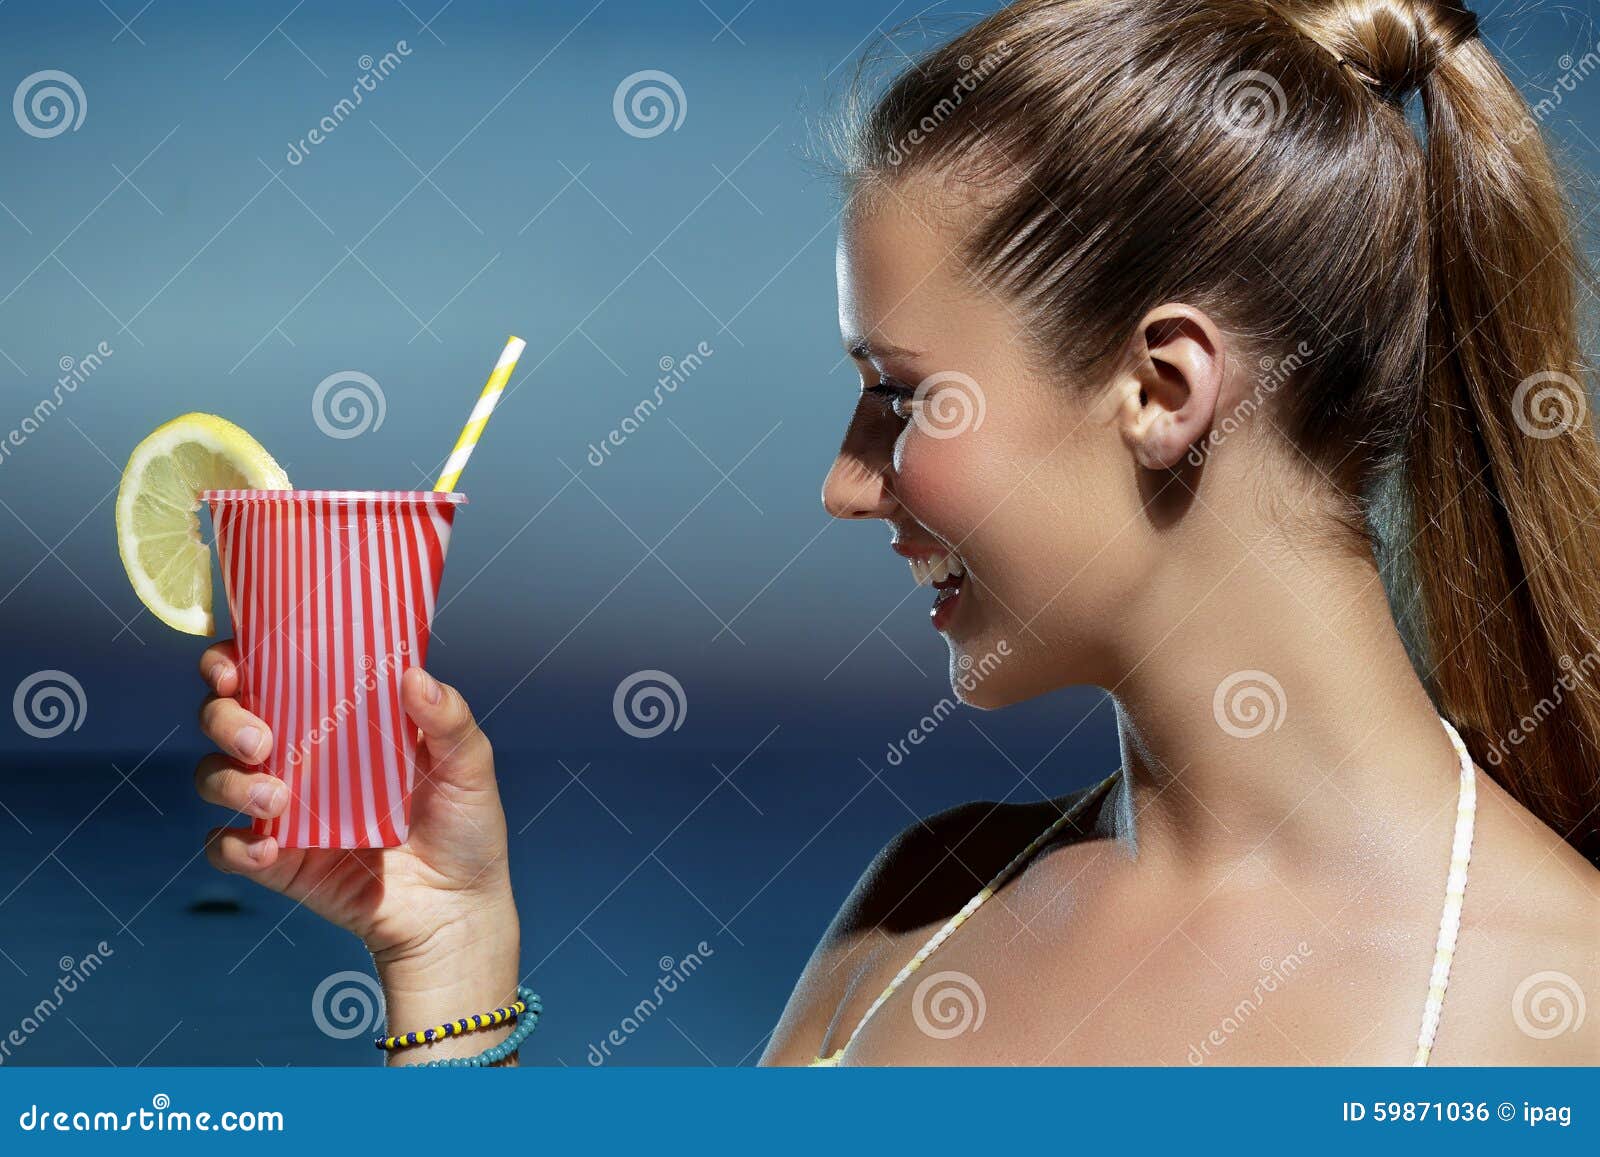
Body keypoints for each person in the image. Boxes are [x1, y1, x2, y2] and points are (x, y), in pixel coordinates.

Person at [193, 0, 1599, 1065]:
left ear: (1162, 389)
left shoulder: (1558, 1003)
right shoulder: (920, 910)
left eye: (898, 395)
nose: (846, 483)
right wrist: (452, 956)